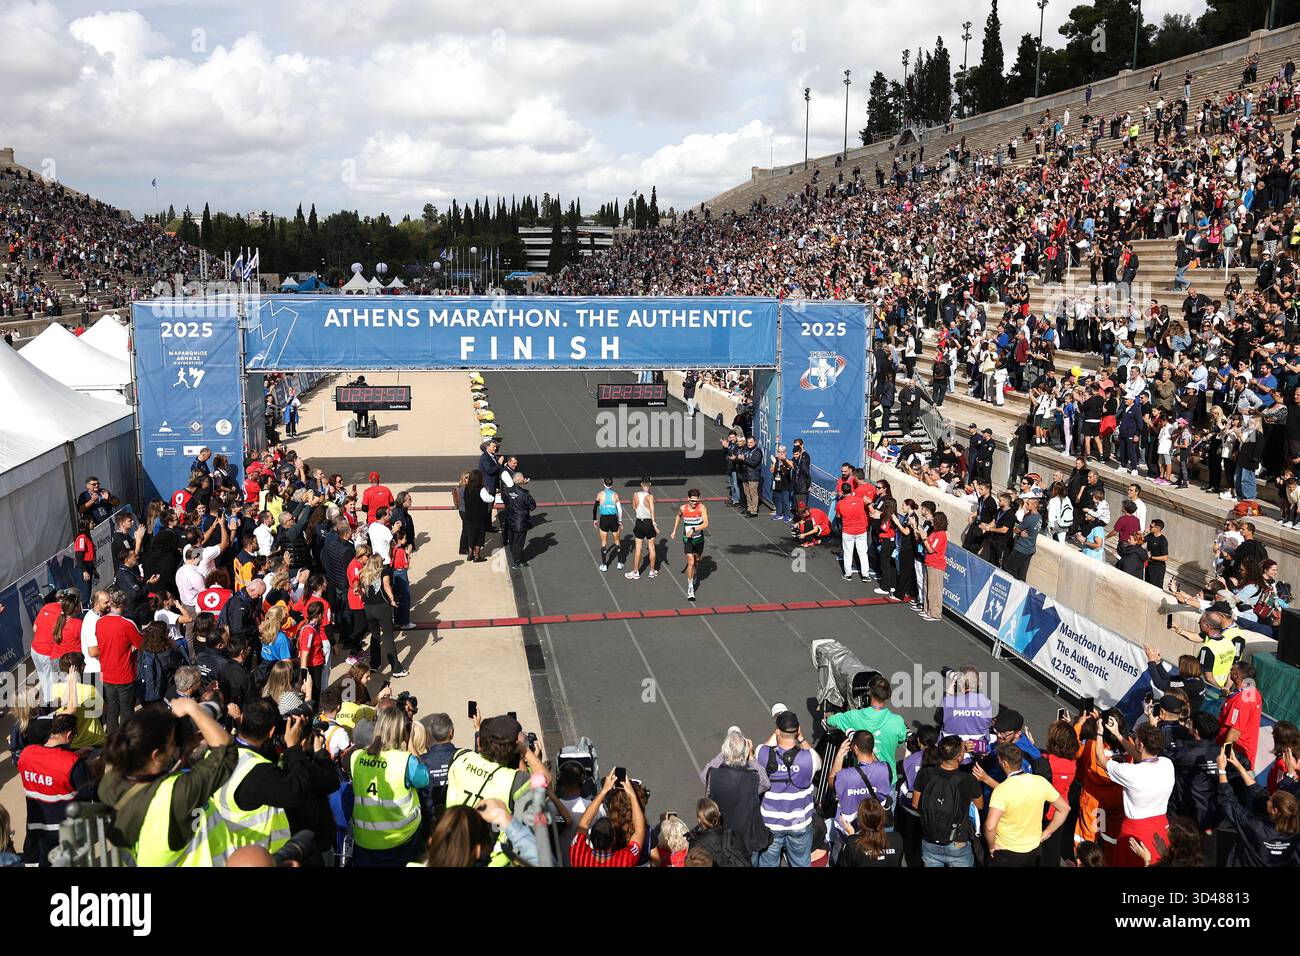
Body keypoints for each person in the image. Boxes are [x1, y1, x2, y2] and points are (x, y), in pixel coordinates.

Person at [99, 698, 237, 866]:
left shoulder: (112, 782)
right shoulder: (174, 794)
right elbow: (226, 753)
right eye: (172, 743)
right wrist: (192, 708)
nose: (175, 747)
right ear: (156, 756)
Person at [444, 714, 551, 866]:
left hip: (450, 846)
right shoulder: (514, 780)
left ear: (479, 742)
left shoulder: (460, 757)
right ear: (514, 750)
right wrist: (526, 750)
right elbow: (545, 779)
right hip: (491, 858)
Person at [350, 706, 431, 867]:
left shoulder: (356, 757)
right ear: (401, 732)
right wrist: (410, 746)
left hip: (364, 841)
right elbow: (424, 780)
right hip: (401, 840)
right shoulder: (406, 761)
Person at [1095, 718, 1175, 867]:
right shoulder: (1167, 764)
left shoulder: (1129, 772)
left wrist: (1099, 733)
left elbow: (1100, 759)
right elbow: (1141, 757)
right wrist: (1118, 735)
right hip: (1161, 827)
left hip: (1135, 832)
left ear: (1140, 744)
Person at [975, 743, 1071, 867]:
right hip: (1033, 849)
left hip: (1005, 851)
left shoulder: (1001, 790)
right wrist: (1047, 832)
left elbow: (990, 826)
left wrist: (991, 847)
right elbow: (1064, 808)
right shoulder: (1040, 782)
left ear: (1004, 764)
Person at [17, 713, 91, 866]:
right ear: (69, 734)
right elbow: (87, 793)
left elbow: (48, 765)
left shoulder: (26, 754)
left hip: (39, 825)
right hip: (65, 829)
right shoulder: (72, 763)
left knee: (46, 858)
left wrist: (73, 755)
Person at [754, 710, 821, 867]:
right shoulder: (809, 758)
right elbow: (817, 760)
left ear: (778, 731)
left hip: (771, 824)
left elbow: (764, 746)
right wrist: (801, 738)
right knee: (801, 863)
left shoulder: (762, 754)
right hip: (799, 824)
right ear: (797, 730)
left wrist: (777, 731)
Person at [1216, 747, 1300, 867]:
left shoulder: (1255, 827)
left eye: (1270, 799)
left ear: (1275, 810)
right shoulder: (1294, 831)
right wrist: (1238, 765)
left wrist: (1222, 771)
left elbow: (1229, 804)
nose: (1268, 798)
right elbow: (1259, 793)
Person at [911, 735, 984, 867]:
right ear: (959, 757)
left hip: (930, 839)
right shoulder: (968, 779)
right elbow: (979, 805)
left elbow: (915, 804)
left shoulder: (925, 774)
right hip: (958, 842)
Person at [700, 728, 771, 859]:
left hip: (722, 836)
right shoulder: (752, 779)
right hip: (746, 838)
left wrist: (723, 754)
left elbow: (704, 775)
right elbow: (766, 784)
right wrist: (752, 758)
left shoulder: (714, 775)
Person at [825, 674, 908, 785]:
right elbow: (900, 741)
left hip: (862, 779)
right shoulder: (897, 721)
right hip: (887, 779)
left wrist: (829, 716)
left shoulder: (853, 716)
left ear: (869, 691)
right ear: (888, 695)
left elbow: (831, 720)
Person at [828, 730, 892, 864]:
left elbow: (831, 781)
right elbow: (877, 763)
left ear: (855, 748)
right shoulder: (885, 769)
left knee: (839, 858)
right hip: (874, 827)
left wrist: (840, 754)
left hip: (849, 831)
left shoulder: (845, 776)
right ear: (872, 748)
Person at [570, 771, 648, 867]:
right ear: (613, 839)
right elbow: (639, 830)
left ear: (591, 837)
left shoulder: (578, 855)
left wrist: (604, 791)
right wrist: (632, 795)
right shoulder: (624, 860)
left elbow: (583, 824)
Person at [96, 590, 143, 734]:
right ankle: (125, 741)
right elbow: (141, 644)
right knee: (127, 710)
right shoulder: (127, 624)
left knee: (112, 709)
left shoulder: (99, 622)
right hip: (124, 674)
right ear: (123, 605)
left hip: (107, 673)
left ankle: (111, 738)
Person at [359, 554, 405, 678]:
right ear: (379, 563)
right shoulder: (384, 572)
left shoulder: (363, 574)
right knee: (388, 637)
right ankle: (396, 668)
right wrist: (392, 600)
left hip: (368, 608)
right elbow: (386, 586)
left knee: (374, 636)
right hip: (382, 607)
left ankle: (374, 664)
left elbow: (362, 592)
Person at [670, 488, 709, 602]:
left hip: (699, 539)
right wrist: (674, 530)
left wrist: (693, 529)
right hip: (687, 540)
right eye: (692, 501)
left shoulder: (702, 508)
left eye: (696, 501)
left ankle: (693, 570)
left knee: (697, 560)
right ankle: (690, 588)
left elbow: (706, 523)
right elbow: (678, 516)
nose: (694, 503)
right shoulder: (683, 508)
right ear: (688, 499)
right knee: (690, 562)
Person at [624, 477, 659, 580]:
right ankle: (652, 571)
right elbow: (652, 508)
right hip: (649, 523)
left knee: (638, 548)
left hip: (639, 522)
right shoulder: (650, 496)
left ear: (641, 484)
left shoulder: (635, 494)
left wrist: (639, 512)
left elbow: (634, 506)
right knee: (652, 547)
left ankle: (636, 572)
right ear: (650, 484)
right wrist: (653, 522)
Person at [502, 472, 537, 571]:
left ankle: (515, 558)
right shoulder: (525, 494)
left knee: (513, 542)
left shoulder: (507, 491)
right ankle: (517, 562)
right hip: (520, 523)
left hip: (510, 520)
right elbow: (532, 506)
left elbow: (505, 500)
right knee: (519, 543)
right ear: (522, 481)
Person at [1002, 494, 1041, 581]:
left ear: (1034, 506)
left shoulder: (1029, 518)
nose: (1025, 505)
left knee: (1009, 567)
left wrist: (1019, 532)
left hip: (1022, 548)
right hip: (1030, 548)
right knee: (1022, 573)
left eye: (1028, 504)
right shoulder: (1039, 517)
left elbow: (1016, 530)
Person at [592, 477, 624, 572]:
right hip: (613, 519)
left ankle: (604, 565)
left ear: (604, 484)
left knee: (604, 542)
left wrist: (594, 519)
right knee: (617, 541)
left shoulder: (600, 494)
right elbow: (620, 510)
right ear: (612, 484)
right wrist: (620, 521)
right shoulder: (615, 495)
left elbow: (594, 508)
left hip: (604, 519)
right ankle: (619, 563)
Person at [920, 513, 947, 622]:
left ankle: (935, 614)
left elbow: (931, 549)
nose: (931, 521)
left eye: (933, 520)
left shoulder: (941, 534)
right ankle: (927, 610)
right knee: (927, 588)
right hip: (929, 563)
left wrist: (924, 539)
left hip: (936, 566)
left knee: (934, 590)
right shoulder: (934, 532)